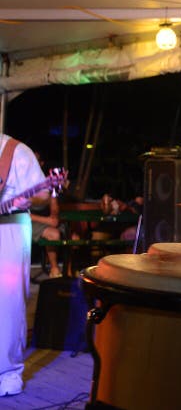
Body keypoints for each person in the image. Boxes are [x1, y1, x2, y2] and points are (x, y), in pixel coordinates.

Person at [0, 134, 48, 397]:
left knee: (8, 303)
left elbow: (42, 193)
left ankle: (8, 373)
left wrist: (26, 199)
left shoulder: (15, 151)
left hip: (10, 228)